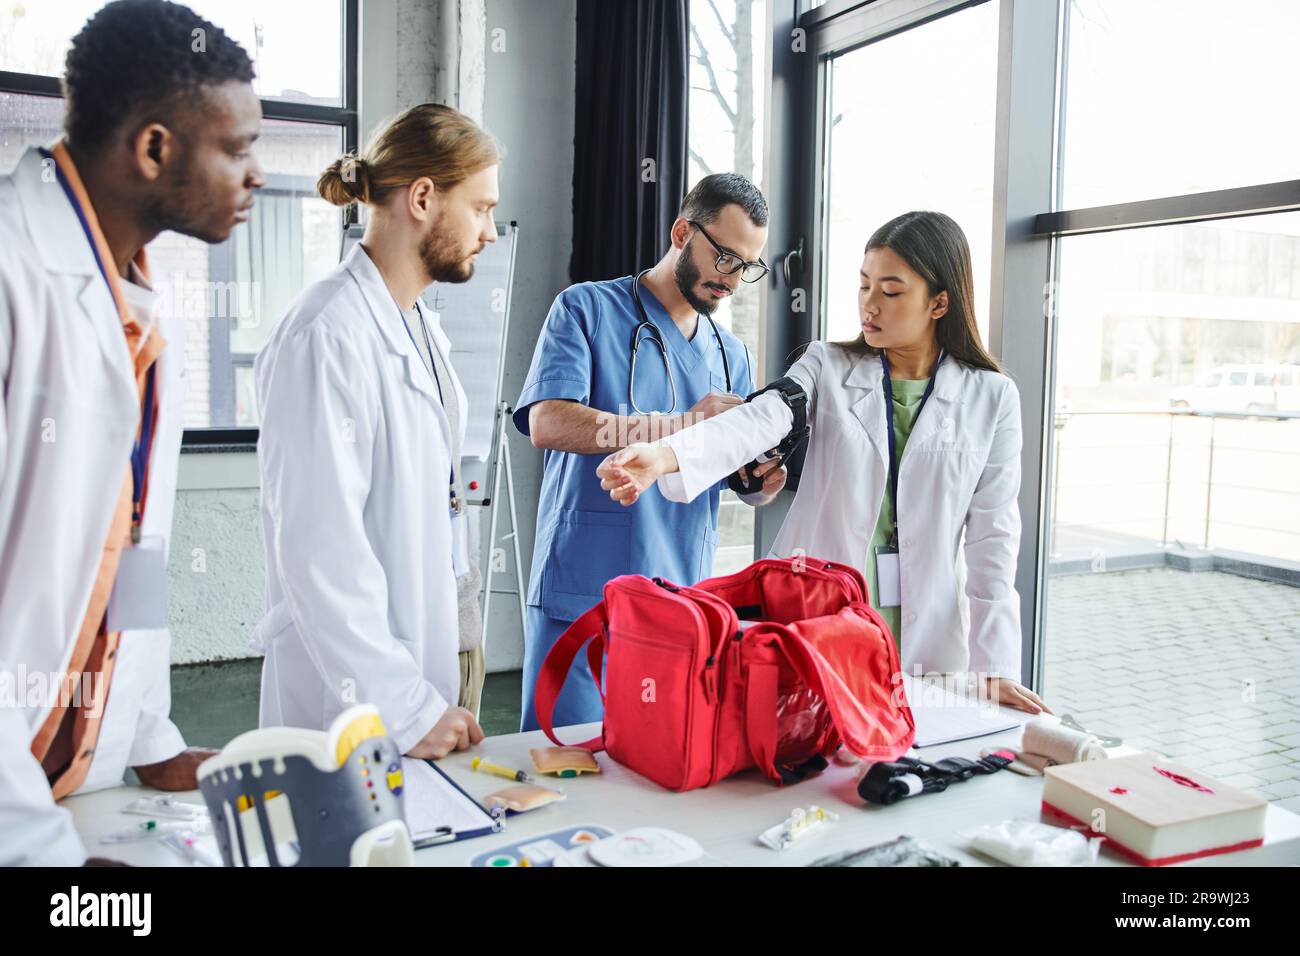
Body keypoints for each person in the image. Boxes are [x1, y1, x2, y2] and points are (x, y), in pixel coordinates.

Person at [0, 0, 265, 865]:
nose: (255, 174)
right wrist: (45, 860)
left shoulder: (142, 297)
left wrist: (149, 734)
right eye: (237, 149)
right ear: (154, 148)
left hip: (75, 777)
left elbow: (137, 550)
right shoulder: (12, 271)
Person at [598, 211, 1053, 715]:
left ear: (940, 302)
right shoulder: (827, 364)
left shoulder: (992, 397)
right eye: (863, 286)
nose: (870, 305)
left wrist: (995, 671)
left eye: (892, 290)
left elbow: (994, 542)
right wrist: (666, 455)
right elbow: (763, 417)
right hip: (817, 620)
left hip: (925, 640)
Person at [254, 104, 499, 759]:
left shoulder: (419, 327)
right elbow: (318, 549)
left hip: (416, 661)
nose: (492, 232)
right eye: (480, 208)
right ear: (423, 197)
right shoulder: (325, 335)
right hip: (350, 701)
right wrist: (405, 706)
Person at [513, 173, 780, 731]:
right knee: (560, 768)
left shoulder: (732, 356)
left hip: (679, 598)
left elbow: (721, 467)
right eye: (725, 257)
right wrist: (681, 425)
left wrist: (753, 481)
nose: (733, 280)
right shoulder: (585, 309)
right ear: (682, 231)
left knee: (656, 773)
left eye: (748, 267)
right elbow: (547, 421)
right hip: (584, 593)